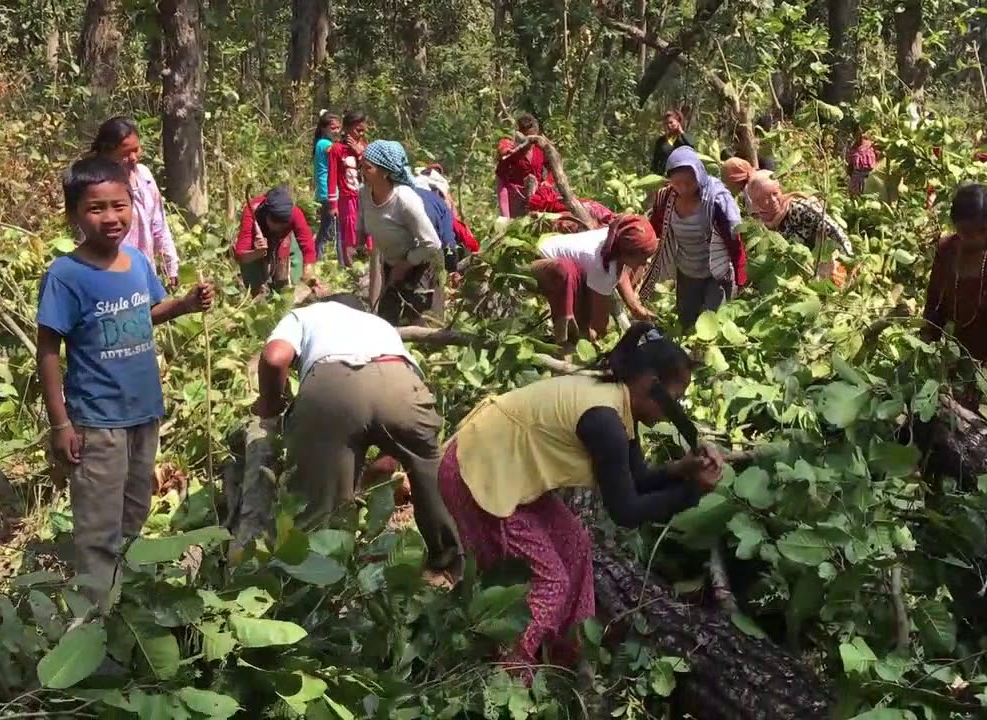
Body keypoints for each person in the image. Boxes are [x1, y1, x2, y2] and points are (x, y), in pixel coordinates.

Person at [437, 323, 723, 675]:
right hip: (478, 474)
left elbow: (638, 480)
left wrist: (683, 469)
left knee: (575, 545)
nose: (673, 411)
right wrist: (694, 493)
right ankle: (506, 678)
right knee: (548, 583)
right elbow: (626, 511)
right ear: (652, 385)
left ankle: (562, 661)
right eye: (674, 400)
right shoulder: (605, 422)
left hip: (507, 471)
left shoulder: (619, 405)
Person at [37, 156, 214, 605]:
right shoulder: (65, 276)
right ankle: (96, 614)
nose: (111, 217)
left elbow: (145, 313)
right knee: (99, 525)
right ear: (74, 214)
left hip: (144, 413)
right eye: (96, 208)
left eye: (120, 205)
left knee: (135, 510)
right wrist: (61, 423)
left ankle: (126, 603)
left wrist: (184, 304)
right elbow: (48, 352)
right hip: (97, 422)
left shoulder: (136, 261)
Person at [251, 292, 461, 571]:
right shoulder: (380, 326)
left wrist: (270, 405)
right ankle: (451, 566)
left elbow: (275, 358)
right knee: (430, 475)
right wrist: (376, 470)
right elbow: (393, 435)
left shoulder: (307, 314)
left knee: (319, 504)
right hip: (401, 383)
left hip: (333, 388)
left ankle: (317, 579)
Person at [922, 183, 987, 384]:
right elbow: (934, 305)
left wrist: (985, 377)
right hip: (954, 354)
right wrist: (924, 352)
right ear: (955, 225)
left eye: (985, 230)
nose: (977, 238)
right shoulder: (947, 251)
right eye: (968, 231)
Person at [642, 146, 747, 331]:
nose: (683, 188)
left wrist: (741, 277)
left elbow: (734, 240)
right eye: (677, 183)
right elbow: (655, 230)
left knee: (714, 323)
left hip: (717, 272)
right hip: (687, 271)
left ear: (699, 175)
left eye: (689, 183)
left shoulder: (715, 200)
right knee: (687, 323)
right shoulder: (666, 199)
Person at [531, 215, 658, 347]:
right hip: (544, 266)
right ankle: (565, 341)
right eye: (644, 257)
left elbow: (619, 270)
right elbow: (600, 321)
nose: (648, 261)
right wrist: (601, 337)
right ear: (626, 253)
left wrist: (635, 307)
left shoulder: (616, 240)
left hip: (558, 250)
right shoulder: (600, 265)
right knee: (586, 326)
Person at [88, 117, 180, 287]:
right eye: (125, 153)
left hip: (145, 272)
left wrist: (170, 264)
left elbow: (159, 224)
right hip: (111, 275)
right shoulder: (97, 186)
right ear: (107, 152)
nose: (133, 158)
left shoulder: (144, 176)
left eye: (136, 150)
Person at [359, 141, 444, 325]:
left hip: (422, 265)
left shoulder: (404, 199)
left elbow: (432, 244)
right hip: (393, 264)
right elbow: (365, 221)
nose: (362, 171)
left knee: (422, 325)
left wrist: (405, 265)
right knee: (387, 323)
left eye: (368, 168)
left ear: (385, 172)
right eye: (362, 166)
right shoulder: (365, 194)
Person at [744, 170, 853, 286]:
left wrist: (850, 264)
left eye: (775, 193)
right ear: (756, 202)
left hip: (829, 270)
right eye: (765, 198)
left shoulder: (799, 209)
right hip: (803, 279)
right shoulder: (762, 224)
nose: (773, 200)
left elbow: (837, 233)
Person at [231, 185, 318, 295]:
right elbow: (240, 255)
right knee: (257, 287)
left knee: (283, 285)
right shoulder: (252, 211)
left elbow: (307, 245)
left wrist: (308, 272)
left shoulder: (295, 213)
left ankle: (281, 287)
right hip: (254, 249)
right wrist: (256, 253)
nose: (278, 227)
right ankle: (257, 292)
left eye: (283, 225)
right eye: (275, 223)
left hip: (281, 241)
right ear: (267, 214)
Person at [327, 111, 368, 265]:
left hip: (366, 197)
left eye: (363, 131)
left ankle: (369, 266)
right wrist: (333, 204)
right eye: (358, 130)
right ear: (347, 129)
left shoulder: (365, 147)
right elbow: (332, 177)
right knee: (350, 234)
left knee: (368, 231)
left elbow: (373, 170)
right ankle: (351, 267)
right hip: (347, 198)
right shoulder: (337, 149)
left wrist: (360, 153)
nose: (361, 134)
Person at [495, 113, 550, 218]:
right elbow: (501, 177)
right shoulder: (511, 151)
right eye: (526, 137)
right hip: (516, 200)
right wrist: (505, 213)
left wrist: (547, 181)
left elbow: (552, 167)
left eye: (532, 139)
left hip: (538, 198)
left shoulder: (541, 149)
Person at [312, 111, 341, 260]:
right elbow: (340, 154)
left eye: (338, 128)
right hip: (328, 190)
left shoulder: (322, 143)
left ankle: (320, 254)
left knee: (328, 226)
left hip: (327, 190)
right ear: (324, 128)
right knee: (328, 227)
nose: (337, 131)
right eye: (333, 128)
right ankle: (317, 255)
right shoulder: (326, 145)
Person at [650, 110, 694, 176]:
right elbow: (655, 161)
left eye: (671, 122)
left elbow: (691, 145)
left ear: (678, 121)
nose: (669, 125)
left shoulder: (683, 139)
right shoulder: (661, 141)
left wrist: (681, 131)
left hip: (680, 176)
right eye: (666, 123)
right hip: (664, 176)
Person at [846, 130, 877, 195]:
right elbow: (850, 165)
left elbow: (878, 154)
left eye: (859, 135)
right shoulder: (853, 149)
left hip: (870, 172)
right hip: (857, 174)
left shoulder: (869, 145)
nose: (858, 137)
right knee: (855, 193)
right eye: (856, 136)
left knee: (871, 193)